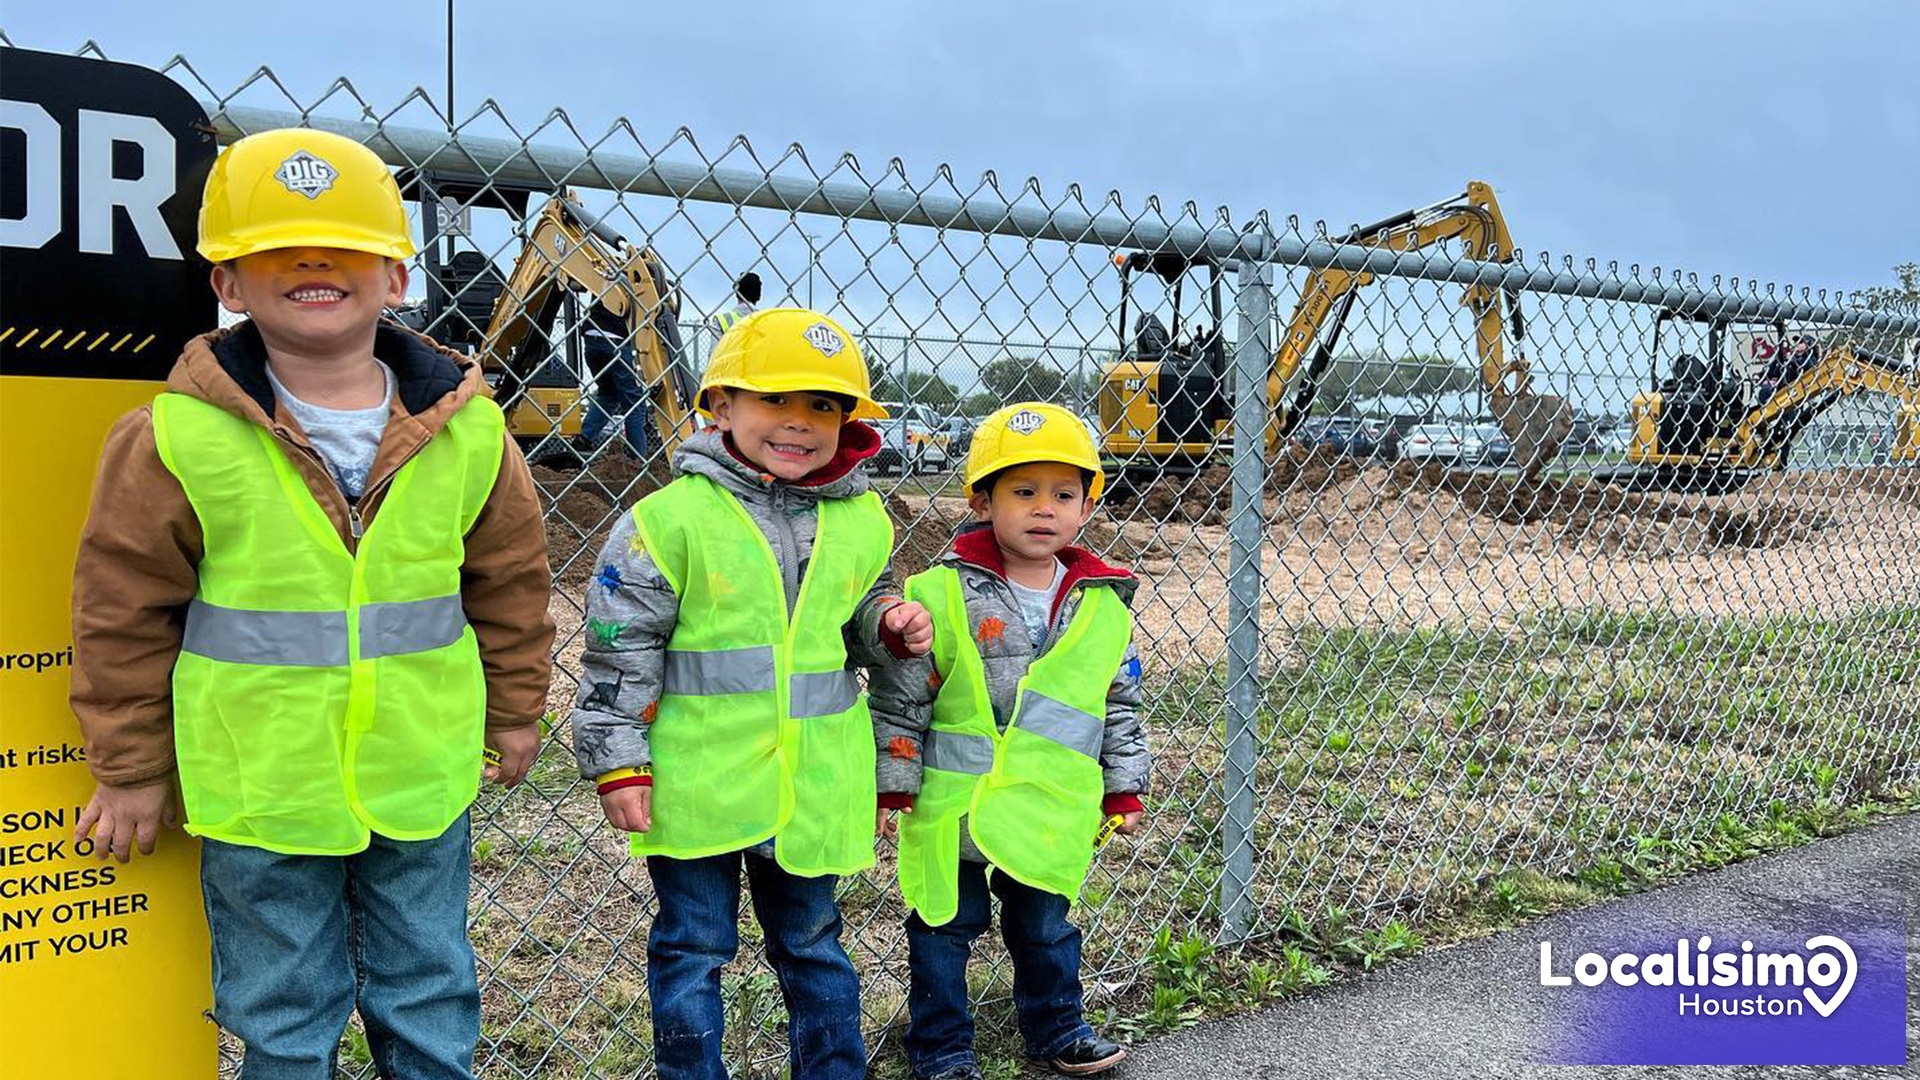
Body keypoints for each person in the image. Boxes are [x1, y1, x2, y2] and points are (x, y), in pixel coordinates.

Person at [66, 127, 555, 1078]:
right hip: (263, 785)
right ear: (228, 283)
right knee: (284, 1013)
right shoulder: (174, 437)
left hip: (418, 771)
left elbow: (511, 580)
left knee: (430, 990)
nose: (314, 264)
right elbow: (120, 609)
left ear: (396, 277)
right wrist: (129, 767)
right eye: (279, 250)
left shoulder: (471, 430)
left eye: (344, 247)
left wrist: (514, 709)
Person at [569, 307, 934, 1080]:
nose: (799, 421)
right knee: (692, 949)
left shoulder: (862, 519)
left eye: (823, 405)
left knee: (813, 944)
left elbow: (860, 612)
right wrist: (619, 760)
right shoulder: (667, 522)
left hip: (812, 780)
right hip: (695, 781)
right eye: (775, 399)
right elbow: (619, 648)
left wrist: (889, 624)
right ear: (720, 405)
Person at [872, 402, 1149, 1080]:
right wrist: (893, 783)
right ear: (981, 501)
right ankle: (941, 1048)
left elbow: (1117, 705)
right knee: (942, 927)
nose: (1044, 508)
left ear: (1087, 507)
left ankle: (1058, 1028)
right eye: (1023, 491)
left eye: (1063, 494)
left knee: (1046, 926)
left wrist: (1123, 787)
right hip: (954, 806)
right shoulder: (938, 592)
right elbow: (903, 698)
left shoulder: (1101, 605)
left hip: (1046, 807)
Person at [579, 293, 652, 458]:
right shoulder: (637, 280)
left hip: (591, 340)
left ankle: (584, 438)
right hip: (616, 340)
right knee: (634, 403)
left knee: (608, 393)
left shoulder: (604, 277)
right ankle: (638, 457)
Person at [708, 270, 762, 338]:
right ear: (759, 296)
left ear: (737, 292)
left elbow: (716, 345)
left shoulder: (721, 320)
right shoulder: (767, 320)